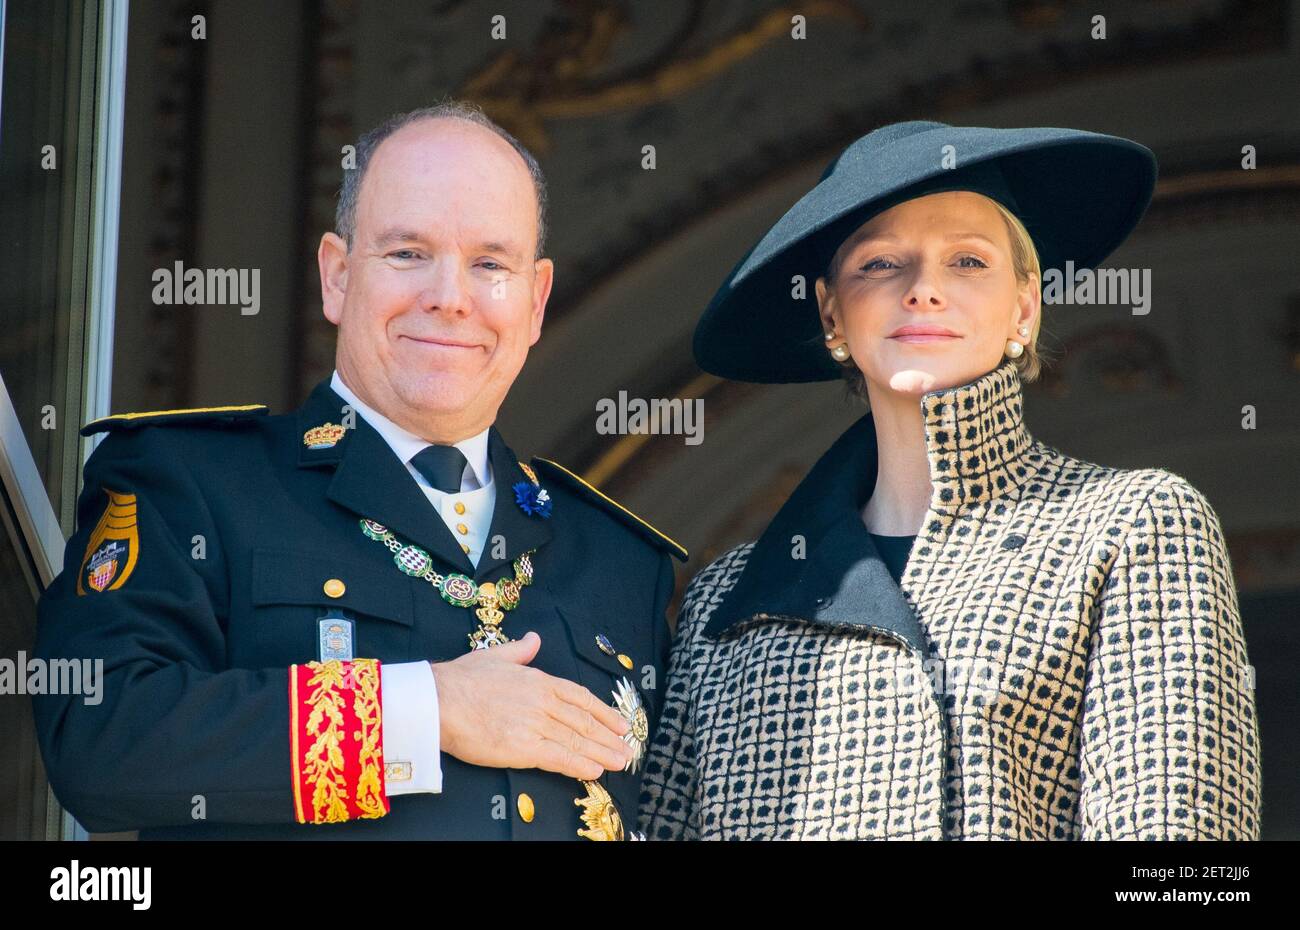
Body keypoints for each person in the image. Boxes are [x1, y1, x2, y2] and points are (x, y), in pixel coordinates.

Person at [32, 101, 686, 840]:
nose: (449, 297)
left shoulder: (622, 561)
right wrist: (425, 713)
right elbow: (103, 737)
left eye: (489, 264)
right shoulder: (192, 483)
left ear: (534, 302)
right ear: (338, 277)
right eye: (408, 253)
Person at [638, 120, 1260, 840]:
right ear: (831, 313)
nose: (925, 290)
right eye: (879, 264)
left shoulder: (1132, 527)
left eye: (967, 261)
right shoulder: (726, 600)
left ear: (1024, 309)